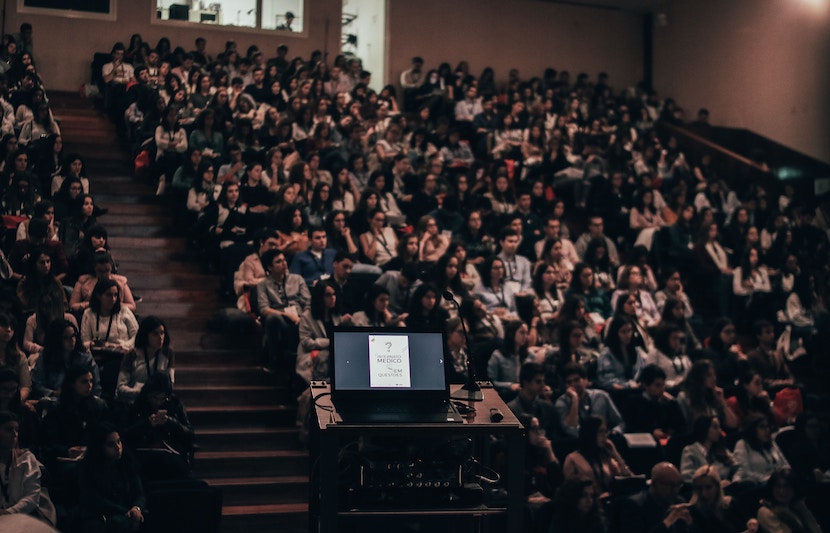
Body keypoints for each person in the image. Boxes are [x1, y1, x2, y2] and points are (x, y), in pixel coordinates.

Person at [122, 373, 193, 481]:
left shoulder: (174, 404)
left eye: (163, 398)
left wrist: (170, 422)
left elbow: (189, 434)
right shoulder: (137, 405)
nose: (158, 402)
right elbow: (125, 434)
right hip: (144, 451)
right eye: (154, 398)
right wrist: (146, 424)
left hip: (171, 451)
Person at [78, 423, 145, 533]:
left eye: (119, 441)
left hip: (129, 514)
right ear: (99, 447)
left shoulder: (127, 463)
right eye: (111, 444)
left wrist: (136, 508)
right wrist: (127, 512)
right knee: (116, 523)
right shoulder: (88, 469)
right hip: (101, 517)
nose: (118, 447)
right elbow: (95, 501)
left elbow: (140, 493)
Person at [256, 249, 310, 376]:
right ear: (269, 267)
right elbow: (264, 309)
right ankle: (274, 362)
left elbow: (308, 303)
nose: (284, 263)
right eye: (278, 262)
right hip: (280, 319)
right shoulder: (263, 285)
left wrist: (303, 318)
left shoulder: (297, 279)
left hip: (301, 318)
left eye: (284, 260)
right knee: (272, 319)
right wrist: (288, 315)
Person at [0, 410, 53, 524]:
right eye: (9, 430)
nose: (15, 434)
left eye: (17, 430)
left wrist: (9, 512)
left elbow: (32, 496)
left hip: (23, 516)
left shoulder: (26, 458)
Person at [295, 280, 352, 383]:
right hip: (311, 356)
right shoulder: (307, 316)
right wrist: (330, 342)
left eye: (334, 294)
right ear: (320, 297)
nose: (333, 298)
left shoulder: (336, 315)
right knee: (326, 356)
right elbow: (306, 342)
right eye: (328, 295)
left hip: (332, 355)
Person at [31, 319, 101, 401]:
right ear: (56, 340)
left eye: (73, 336)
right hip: (55, 401)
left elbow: (96, 385)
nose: (72, 340)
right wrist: (53, 393)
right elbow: (37, 384)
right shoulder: (45, 357)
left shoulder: (84, 356)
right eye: (66, 338)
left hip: (83, 401)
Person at [562, 415, 633, 496]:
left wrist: (615, 454)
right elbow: (569, 491)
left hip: (609, 499)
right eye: (601, 432)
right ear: (590, 433)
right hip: (586, 500)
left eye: (606, 431)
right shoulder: (573, 459)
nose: (605, 436)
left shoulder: (606, 457)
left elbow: (628, 479)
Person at [554, 363, 625, 439]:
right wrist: (575, 400)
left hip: (603, 438)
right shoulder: (562, 402)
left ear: (585, 380)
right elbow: (570, 428)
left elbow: (620, 423)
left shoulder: (601, 396)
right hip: (577, 441)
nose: (573, 384)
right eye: (569, 382)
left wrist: (614, 433)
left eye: (576, 380)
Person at [115, 316, 174, 405]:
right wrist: (144, 392)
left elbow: (170, 383)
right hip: (134, 400)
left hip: (158, 401)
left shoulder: (167, 353)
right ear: (146, 335)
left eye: (162, 333)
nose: (160, 337)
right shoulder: (131, 355)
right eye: (155, 334)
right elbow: (121, 387)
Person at [619, 462, 691, 533]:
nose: (675, 490)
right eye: (670, 485)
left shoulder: (678, 501)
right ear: (654, 483)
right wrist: (668, 522)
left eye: (678, 485)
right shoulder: (634, 506)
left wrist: (690, 524)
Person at [625, 364, 686, 441]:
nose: (662, 389)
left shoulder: (667, 404)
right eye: (657, 385)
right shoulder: (633, 402)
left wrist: (672, 402)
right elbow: (631, 427)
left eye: (663, 385)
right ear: (645, 385)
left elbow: (680, 426)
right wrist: (651, 432)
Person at [80, 279, 139, 356]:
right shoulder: (88, 313)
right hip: (98, 356)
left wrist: (121, 346)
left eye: (115, 295)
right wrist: (91, 344)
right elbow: (85, 341)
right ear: (98, 296)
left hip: (122, 354)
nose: (113, 299)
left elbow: (137, 336)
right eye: (108, 295)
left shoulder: (124, 310)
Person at [756, 468, 821, 533]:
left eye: (786, 486)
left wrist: (804, 511)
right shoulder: (766, 512)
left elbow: (816, 530)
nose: (781, 491)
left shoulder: (797, 506)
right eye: (777, 486)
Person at [733, 414, 790, 485]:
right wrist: (768, 479)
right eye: (762, 427)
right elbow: (745, 472)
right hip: (755, 485)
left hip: (776, 483)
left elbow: (785, 464)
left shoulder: (771, 443)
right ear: (752, 429)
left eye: (768, 426)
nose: (767, 430)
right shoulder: (742, 445)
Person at [687, 465, 746, 533]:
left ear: (717, 487)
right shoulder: (693, 512)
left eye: (708, 487)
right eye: (699, 488)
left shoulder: (729, 504)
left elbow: (744, 526)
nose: (703, 493)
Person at [680, 416, 736, 484]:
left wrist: (733, 480)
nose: (720, 431)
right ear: (704, 429)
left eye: (719, 427)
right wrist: (715, 484)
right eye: (715, 427)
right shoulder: (689, 451)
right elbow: (686, 476)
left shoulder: (721, 450)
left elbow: (736, 466)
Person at [507, 362, 558, 437]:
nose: (543, 385)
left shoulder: (547, 407)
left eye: (543, 381)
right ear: (526, 383)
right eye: (538, 382)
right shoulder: (511, 409)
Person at [596, 315, 645, 391]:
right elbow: (607, 381)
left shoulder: (636, 350)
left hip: (637, 388)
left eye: (629, 331)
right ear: (615, 333)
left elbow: (642, 370)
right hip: (618, 392)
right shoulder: (606, 354)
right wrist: (626, 389)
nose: (627, 335)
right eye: (623, 332)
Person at [488, 320, 533, 400]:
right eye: (522, 333)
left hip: (525, 394)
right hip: (505, 395)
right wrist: (510, 385)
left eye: (526, 333)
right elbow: (490, 382)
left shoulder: (529, 355)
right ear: (511, 334)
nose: (525, 336)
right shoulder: (498, 355)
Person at [0, 313, 30, 403]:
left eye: (12, 327)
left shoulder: (19, 356)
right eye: (4, 326)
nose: (8, 330)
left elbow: (26, 386)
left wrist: (16, 402)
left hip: (13, 400)